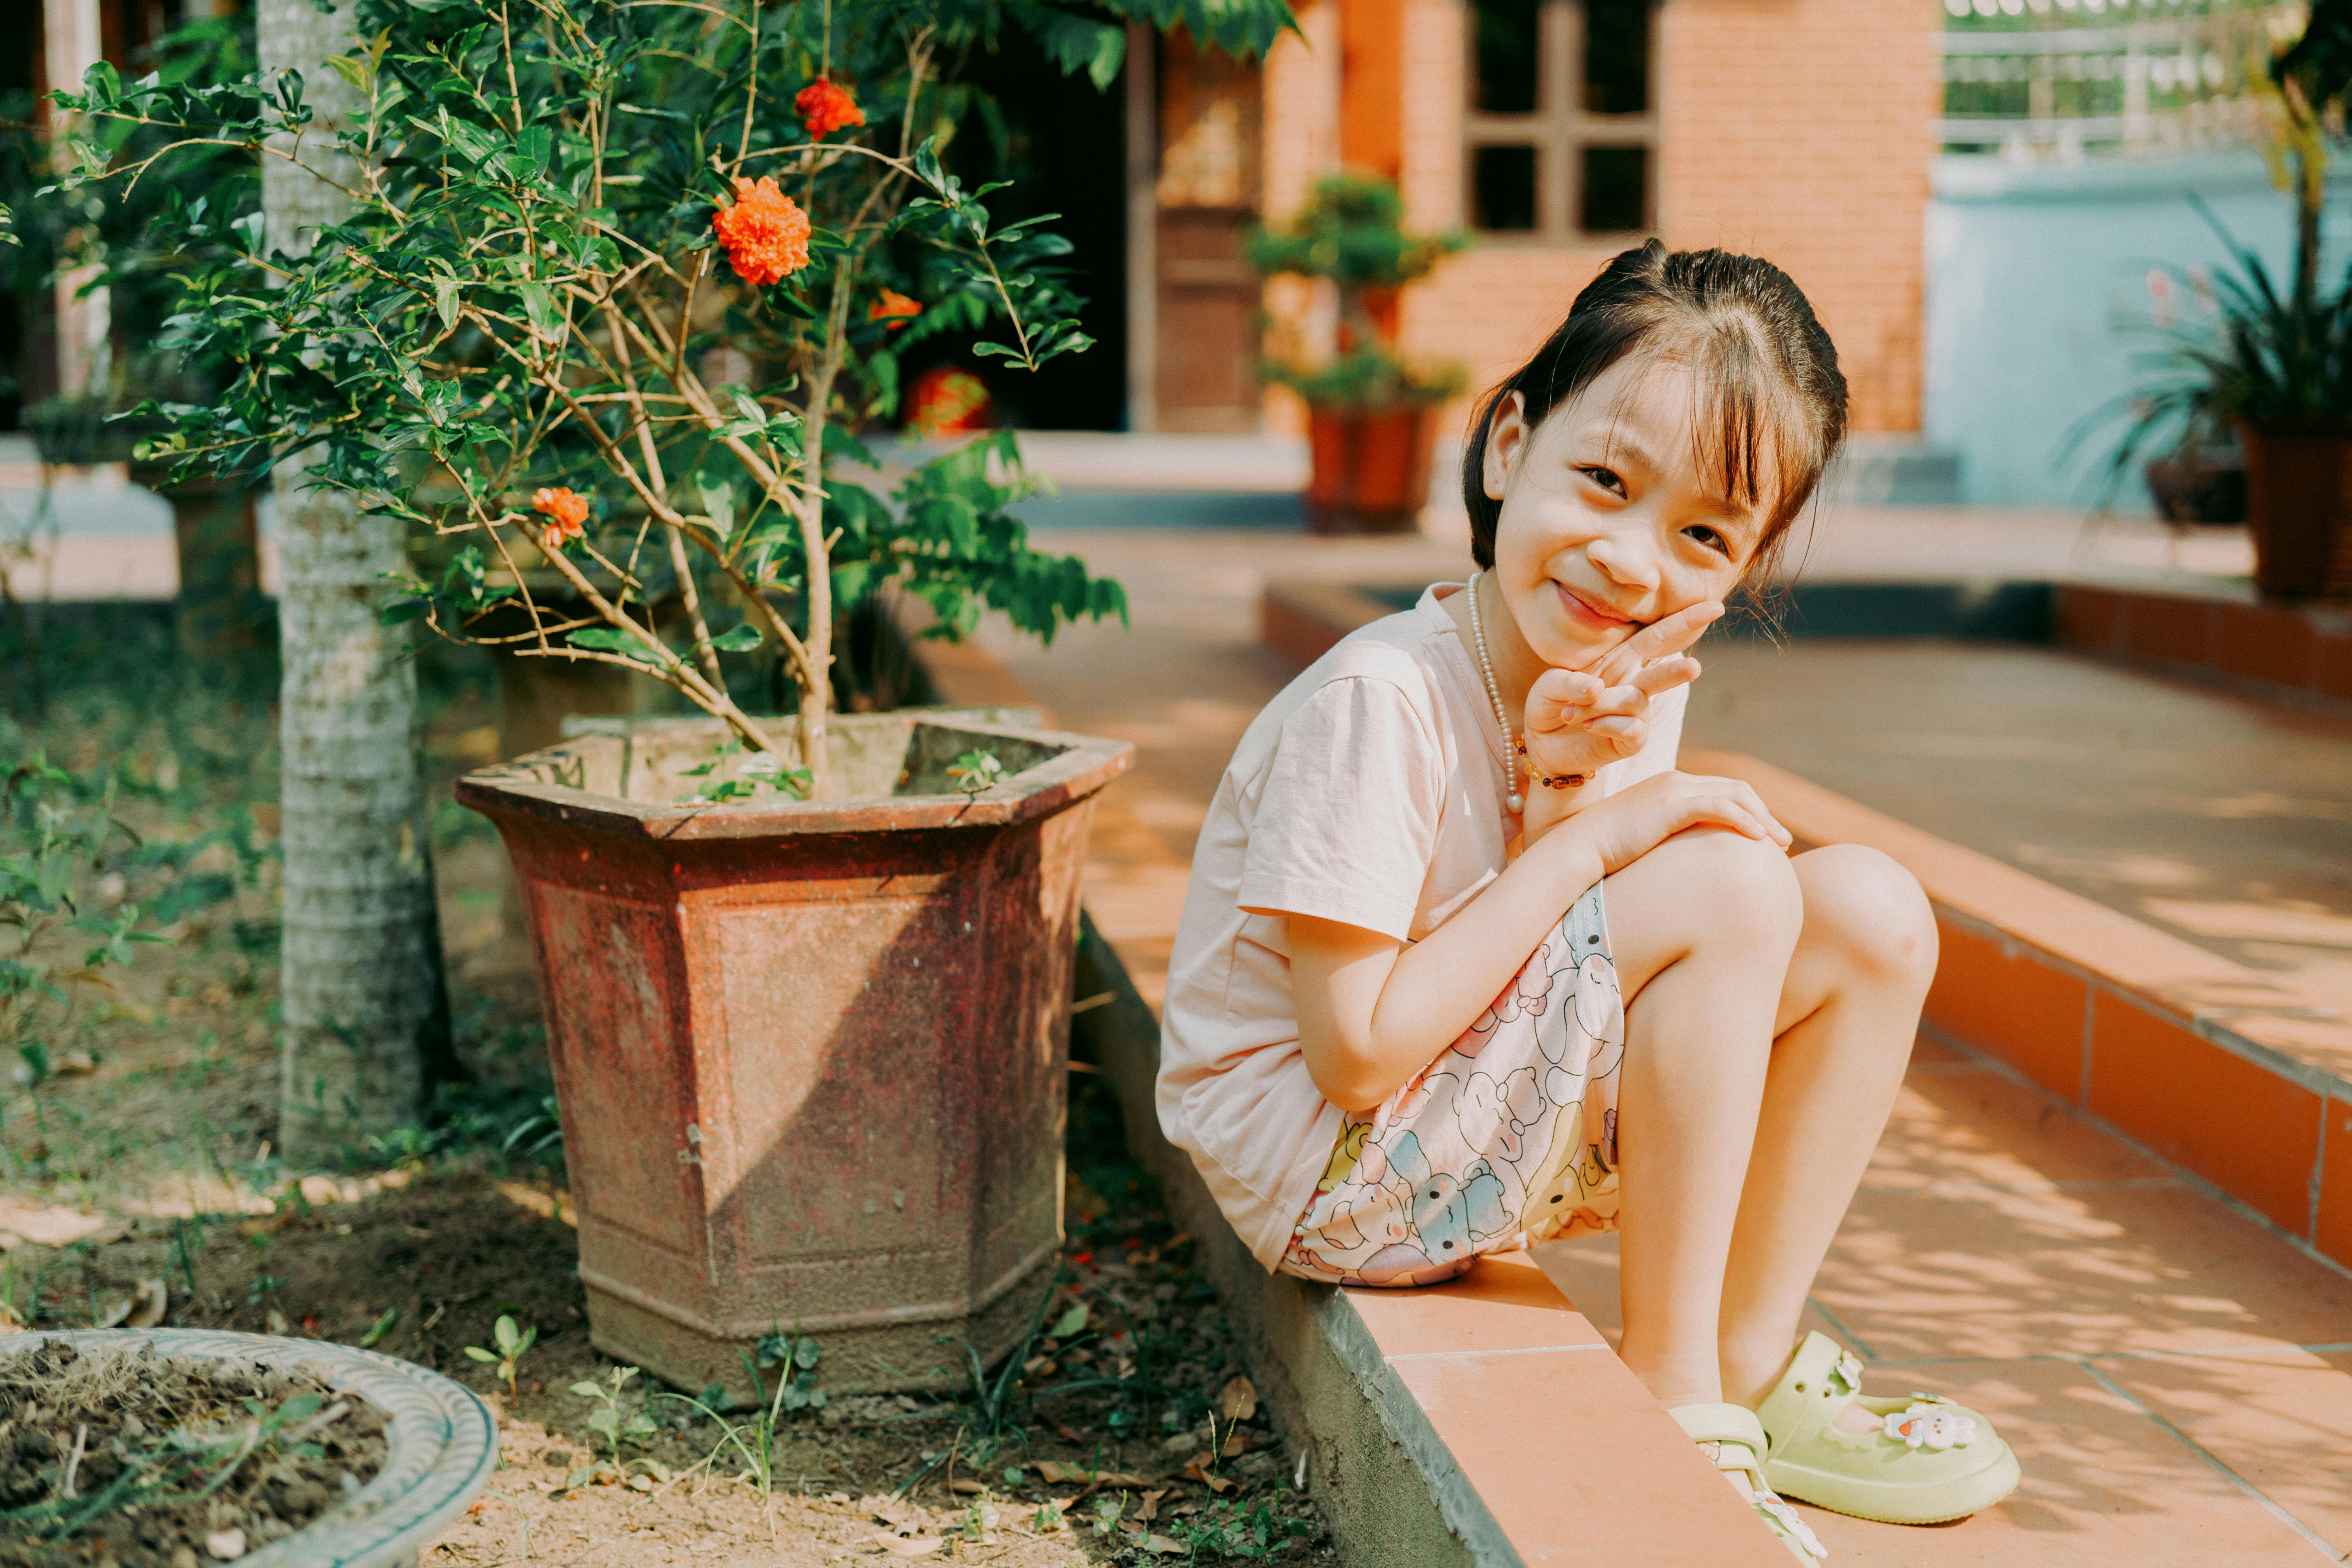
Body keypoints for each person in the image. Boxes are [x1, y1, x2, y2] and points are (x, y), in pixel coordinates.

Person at [1155, 242, 2020, 1563]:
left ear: (1743, 576)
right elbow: (1357, 1050)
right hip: (1331, 1172)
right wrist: (1593, 837)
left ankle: (1744, 1359)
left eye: (1702, 535)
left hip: (1451, 1111)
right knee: (1732, 883)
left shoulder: (1623, 680)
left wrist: (1570, 787)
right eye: (1606, 482)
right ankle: (1676, 1398)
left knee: (1873, 913)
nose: (1628, 562)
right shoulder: (1378, 701)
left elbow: (1560, 963)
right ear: (1511, 445)